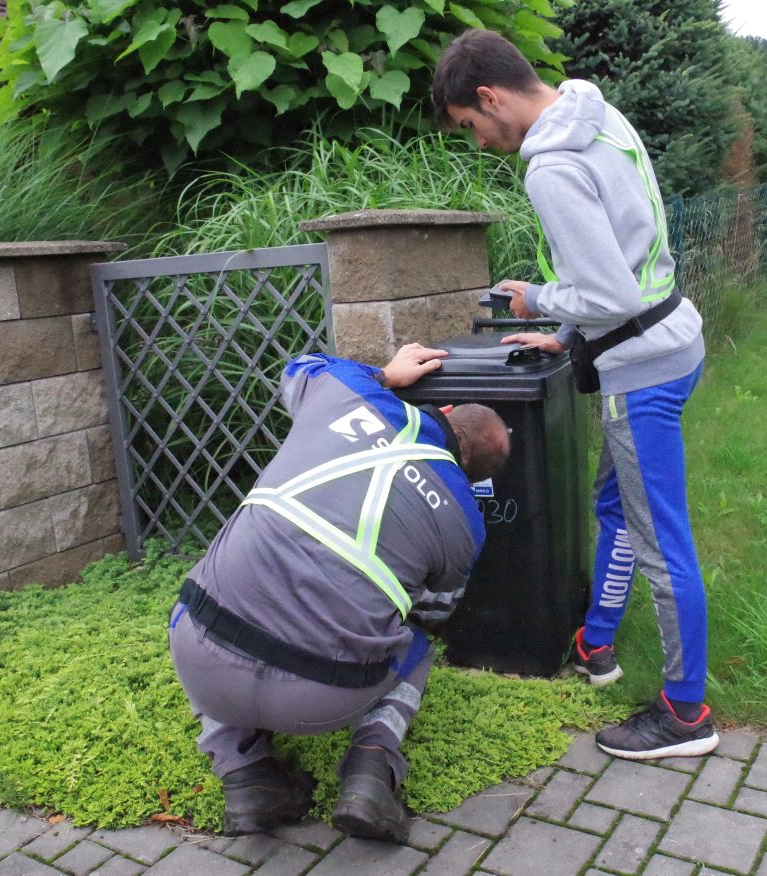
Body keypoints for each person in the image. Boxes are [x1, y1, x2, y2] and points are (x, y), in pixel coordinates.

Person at [432, 29, 718, 762]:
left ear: (489, 97)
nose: (482, 143)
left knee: (662, 544)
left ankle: (686, 714)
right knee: (614, 506)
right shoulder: (596, 113)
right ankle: (597, 643)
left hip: (640, 369)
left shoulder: (549, 168)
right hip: (673, 334)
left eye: (471, 126)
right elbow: (631, 244)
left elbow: (605, 289)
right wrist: (566, 332)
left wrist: (536, 300)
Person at [168, 343, 510, 843]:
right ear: (474, 478)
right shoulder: (467, 523)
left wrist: (385, 374)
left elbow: (298, 365)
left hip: (200, 660)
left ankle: (244, 774)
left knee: (206, 600)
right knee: (414, 647)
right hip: (323, 694)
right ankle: (371, 769)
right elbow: (433, 612)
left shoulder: (345, 396)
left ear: (447, 411)